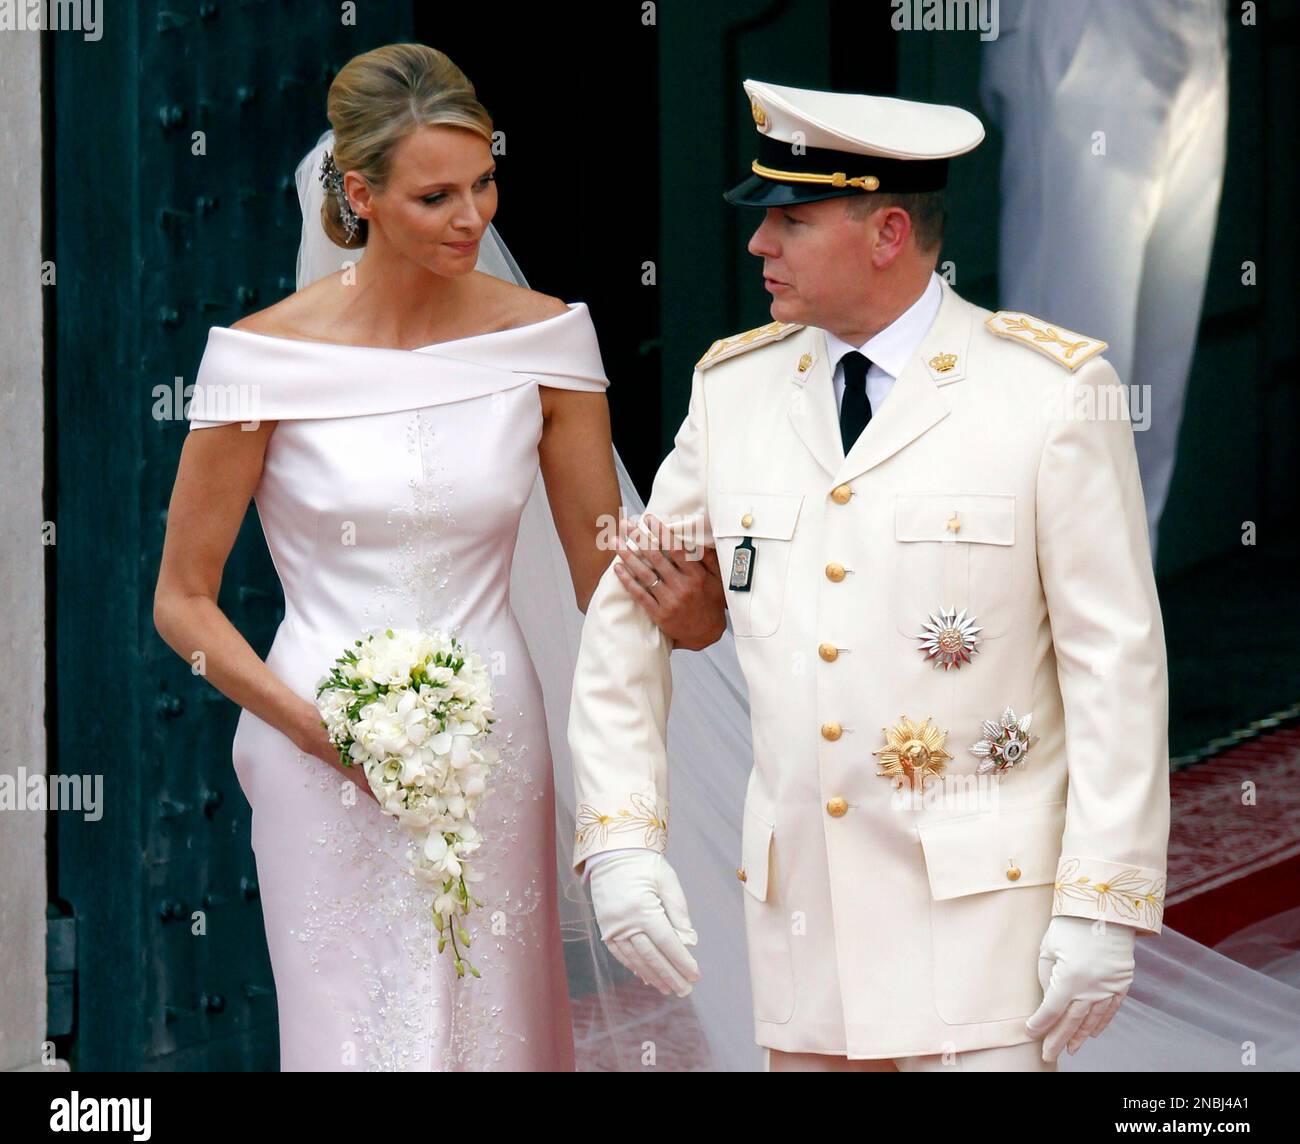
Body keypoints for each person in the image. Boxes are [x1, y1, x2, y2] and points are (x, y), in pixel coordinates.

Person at [568, 78, 1173, 1072]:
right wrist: (622, 841)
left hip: (983, 938)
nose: (758, 244)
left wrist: (1101, 904)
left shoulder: (1049, 395)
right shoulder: (734, 390)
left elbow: (1114, 668)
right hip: (805, 941)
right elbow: (625, 623)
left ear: (888, 232)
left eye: (791, 221)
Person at [151, 42, 727, 1071]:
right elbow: (182, 602)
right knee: (350, 1033)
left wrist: (694, 612)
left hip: (493, 745)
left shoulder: (548, 342)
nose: (472, 218)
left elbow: (604, 583)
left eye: (484, 184)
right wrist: (319, 731)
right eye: (436, 197)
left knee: (493, 1027)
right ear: (360, 195)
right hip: (312, 749)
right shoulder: (258, 360)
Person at [979, 0, 1229, 560]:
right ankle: (1043, 614)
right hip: (1089, 27)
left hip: (1198, 26)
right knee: (1072, 393)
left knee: (1150, 416)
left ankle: (1128, 612)